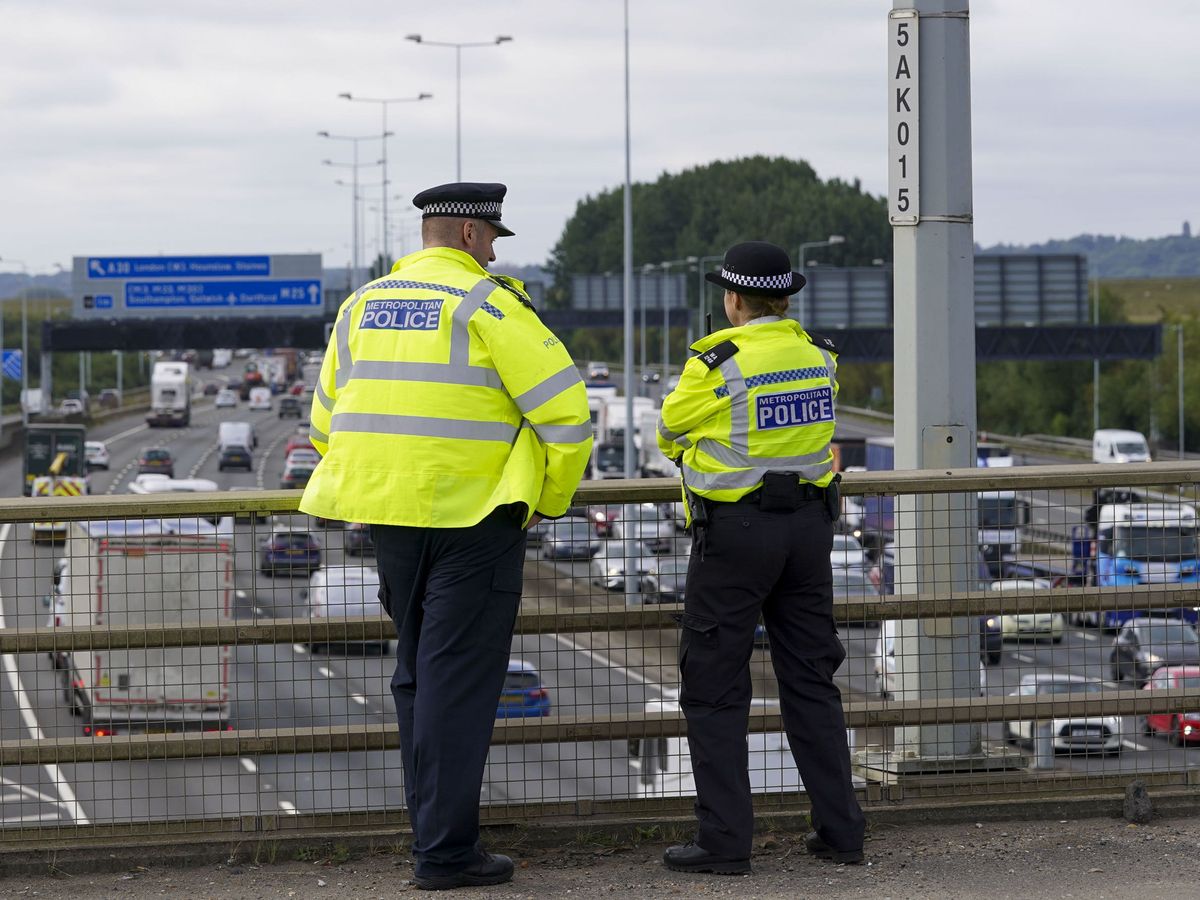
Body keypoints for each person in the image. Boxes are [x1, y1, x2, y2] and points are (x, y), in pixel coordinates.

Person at [299, 182, 592, 891]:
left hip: (391, 520)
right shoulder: (487, 304)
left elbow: (322, 424)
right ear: (467, 234)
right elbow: (568, 415)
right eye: (493, 239)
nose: (494, 251)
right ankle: (445, 855)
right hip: (476, 519)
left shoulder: (362, 305)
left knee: (419, 676)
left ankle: (431, 832)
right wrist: (543, 501)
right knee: (455, 684)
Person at [656, 241, 865, 875]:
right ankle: (841, 833)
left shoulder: (714, 361)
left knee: (716, 688)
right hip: (808, 531)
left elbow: (669, 432)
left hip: (735, 538)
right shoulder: (819, 357)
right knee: (811, 682)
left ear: (734, 300)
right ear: (787, 297)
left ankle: (724, 844)